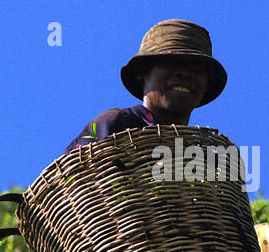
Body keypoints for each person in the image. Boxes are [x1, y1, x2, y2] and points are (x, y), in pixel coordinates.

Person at [62, 19, 228, 155]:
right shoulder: (116, 125)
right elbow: (67, 186)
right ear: (143, 72)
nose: (185, 73)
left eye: (196, 67)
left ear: (206, 84)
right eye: (171, 62)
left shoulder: (202, 155)